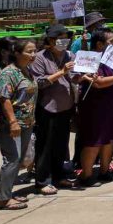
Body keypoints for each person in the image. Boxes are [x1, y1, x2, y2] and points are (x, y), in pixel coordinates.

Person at [75, 28, 113, 186]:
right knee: (94, 141)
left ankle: (105, 171)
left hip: (112, 105)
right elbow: (98, 83)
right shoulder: (90, 58)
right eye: (111, 42)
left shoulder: (112, 57)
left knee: (109, 139)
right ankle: (86, 175)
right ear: (99, 44)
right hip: (95, 107)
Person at [30, 25, 78, 194]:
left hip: (66, 107)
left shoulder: (70, 55)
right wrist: (61, 72)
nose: (64, 41)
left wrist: (81, 76)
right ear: (50, 40)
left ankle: (59, 176)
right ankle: (42, 180)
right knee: (45, 146)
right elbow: (39, 83)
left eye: (66, 37)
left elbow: (74, 78)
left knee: (61, 144)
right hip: (48, 107)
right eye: (60, 37)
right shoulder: (39, 58)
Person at [0, 38, 37, 209]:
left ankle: (7, 193)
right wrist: (12, 122)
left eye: (35, 51)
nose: (33, 55)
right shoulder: (9, 73)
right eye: (29, 51)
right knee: (11, 159)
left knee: (18, 160)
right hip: (12, 125)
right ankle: (4, 199)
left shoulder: (27, 70)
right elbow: (4, 98)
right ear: (17, 53)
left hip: (27, 123)